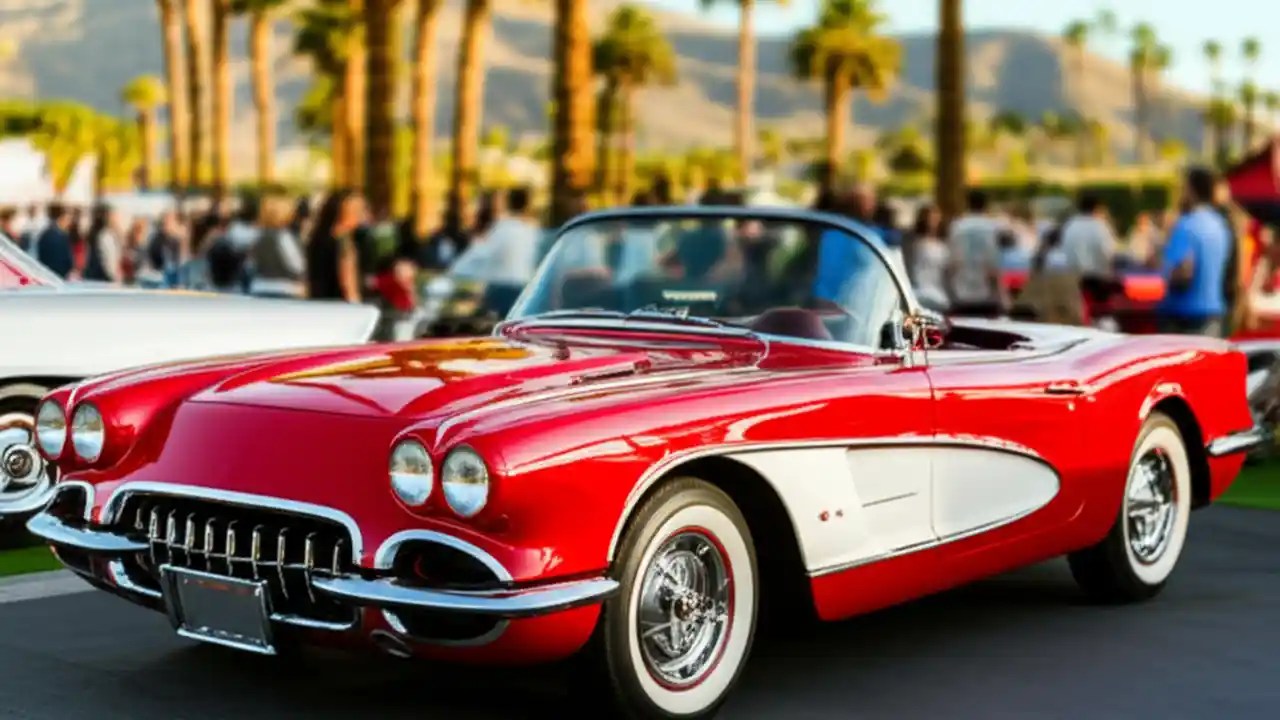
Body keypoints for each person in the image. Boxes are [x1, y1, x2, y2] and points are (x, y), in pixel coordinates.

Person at [1157, 166, 1231, 336]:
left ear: (1191, 190)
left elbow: (1183, 271)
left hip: (1183, 316)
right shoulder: (1221, 225)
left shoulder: (1186, 225)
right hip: (1214, 313)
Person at [478, 186, 540, 315]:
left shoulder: (502, 227)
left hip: (500, 286)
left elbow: (485, 254)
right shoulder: (532, 230)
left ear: (508, 203)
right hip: (524, 287)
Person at [946, 189, 1006, 316]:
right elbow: (993, 265)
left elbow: (952, 263)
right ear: (985, 205)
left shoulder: (957, 226)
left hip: (961, 293)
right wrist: (1002, 295)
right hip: (985, 294)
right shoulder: (991, 228)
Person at [305, 189, 367, 303]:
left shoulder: (317, 238)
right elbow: (348, 285)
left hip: (319, 305)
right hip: (341, 308)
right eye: (357, 210)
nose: (362, 215)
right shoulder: (344, 242)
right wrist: (357, 307)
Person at [249, 195, 307, 298]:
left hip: (259, 287)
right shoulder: (284, 237)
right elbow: (298, 266)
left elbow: (251, 265)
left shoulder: (257, 236)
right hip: (286, 290)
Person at [1060, 191, 1117, 280]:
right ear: (1096, 207)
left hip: (1073, 279)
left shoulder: (1069, 226)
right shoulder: (1101, 227)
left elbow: (1064, 252)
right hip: (1097, 279)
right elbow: (1109, 253)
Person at [907, 204, 950, 312]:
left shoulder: (943, 244)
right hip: (921, 292)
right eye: (931, 218)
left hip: (940, 293)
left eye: (936, 218)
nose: (934, 222)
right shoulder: (914, 243)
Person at [82, 204, 125, 284]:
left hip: (93, 278)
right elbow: (109, 261)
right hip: (104, 280)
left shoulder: (95, 234)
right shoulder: (105, 235)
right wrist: (114, 279)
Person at [34, 203, 75, 279]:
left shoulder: (45, 234)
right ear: (61, 218)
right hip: (58, 276)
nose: (70, 222)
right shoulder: (60, 236)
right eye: (68, 219)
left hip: (47, 275)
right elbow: (65, 260)